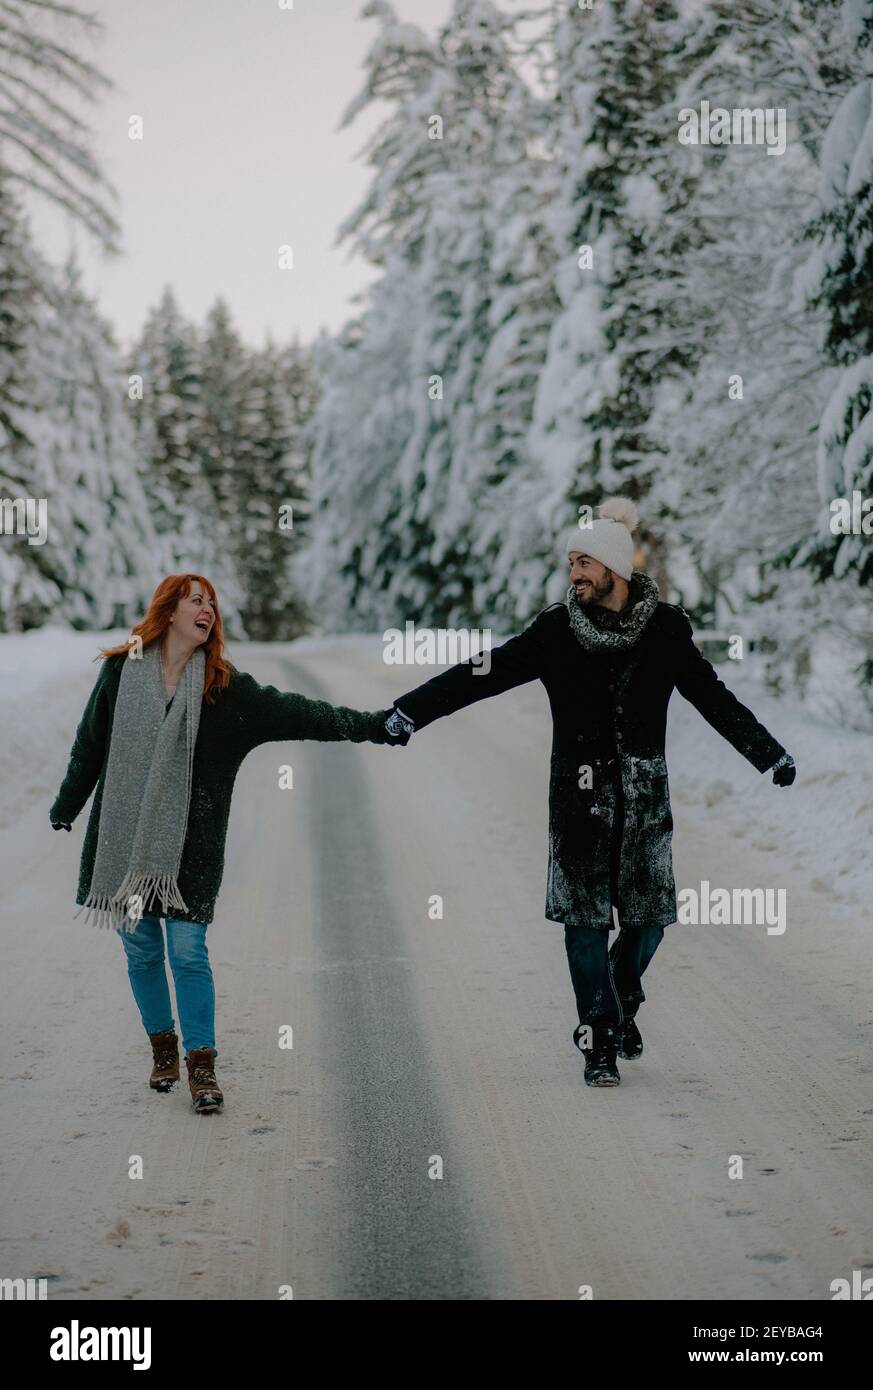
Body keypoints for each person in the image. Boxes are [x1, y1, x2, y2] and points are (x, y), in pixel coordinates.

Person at [384, 498, 796, 1087]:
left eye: (584, 562)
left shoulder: (667, 630)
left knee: (649, 922)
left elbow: (714, 698)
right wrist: (409, 712)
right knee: (584, 924)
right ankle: (599, 1039)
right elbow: (483, 672)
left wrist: (768, 753)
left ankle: (622, 989)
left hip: (645, 799)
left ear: (614, 570)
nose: (574, 573)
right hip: (578, 802)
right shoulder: (556, 630)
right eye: (570, 562)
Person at [50, 573, 405, 1113]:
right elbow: (89, 745)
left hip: (193, 844)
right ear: (168, 612)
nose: (208, 610)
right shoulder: (122, 673)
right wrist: (67, 805)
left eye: (212, 603)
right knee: (142, 947)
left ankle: (202, 1067)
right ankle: (162, 1049)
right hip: (125, 839)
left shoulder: (224, 688)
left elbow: (301, 712)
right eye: (197, 600)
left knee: (187, 952)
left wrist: (374, 725)